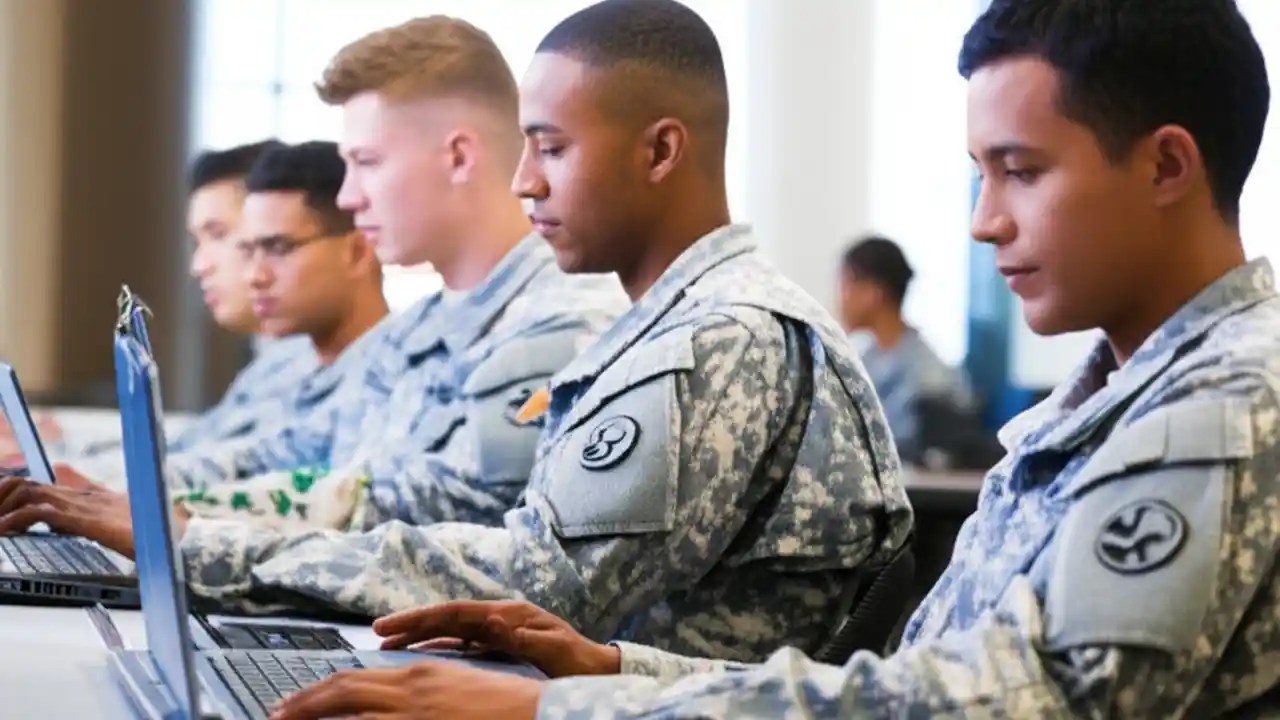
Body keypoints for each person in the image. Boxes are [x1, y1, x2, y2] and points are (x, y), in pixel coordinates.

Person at [264, 0, 1278, 717]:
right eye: (978, 174)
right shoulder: (1112, 394)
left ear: (1163, 165)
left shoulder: (1227, 401)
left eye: (1019, 172)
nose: (981, 223)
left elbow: (1035, 703)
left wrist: (558, 712)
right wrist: (615, 674)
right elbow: (915, 680)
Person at [0, 0, 911, 667]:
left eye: (551, 148)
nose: (524, 183)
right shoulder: (668, 325)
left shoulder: (719, 336)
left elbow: (539, 581)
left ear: (661, 150)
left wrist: (190, 539)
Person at [838, 235, 978, 464]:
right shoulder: (866, 360)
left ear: (873, 292)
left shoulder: (930, 376)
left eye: (845, 285)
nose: (840, 299)